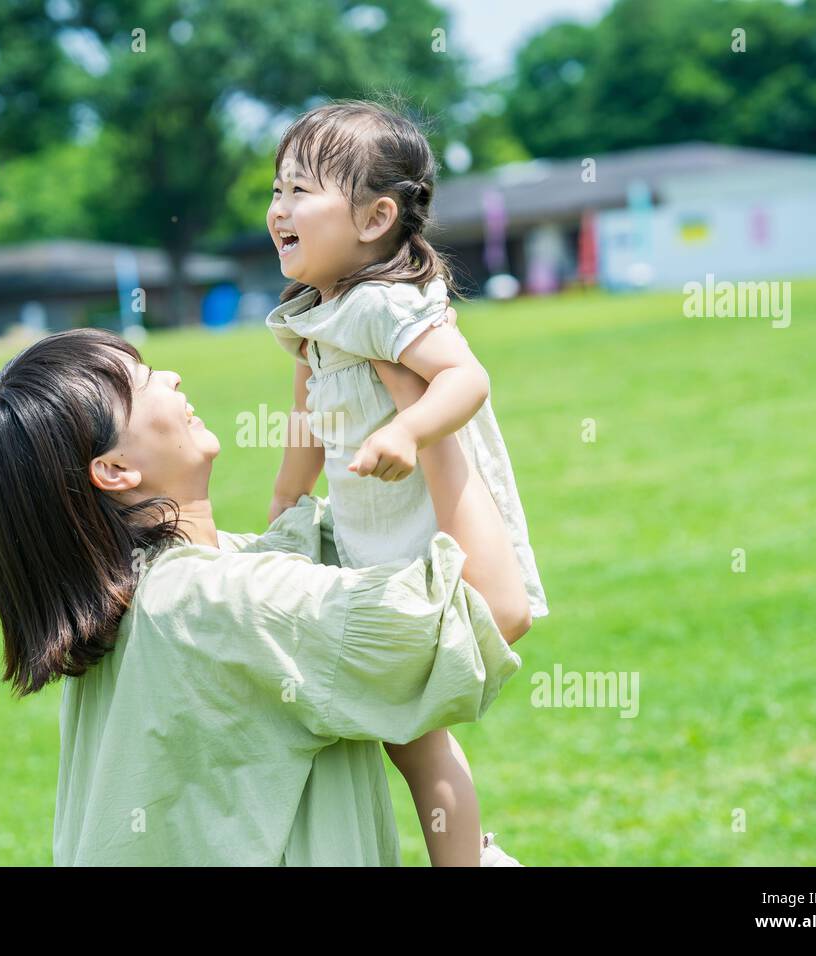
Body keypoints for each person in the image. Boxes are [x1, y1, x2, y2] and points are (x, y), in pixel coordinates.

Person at [0, 327, 533, 865]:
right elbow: (494, 609)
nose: (172, 378)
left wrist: (323, 361)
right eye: (141, 383)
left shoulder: (138, 596)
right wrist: (426, 417)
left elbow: (312, 540)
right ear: (113, 469)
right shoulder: (224, 603)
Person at [265, 98, 549, 866]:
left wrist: (407, 429)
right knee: (408, 740)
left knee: (417, 743)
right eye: (277, 190)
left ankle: (469, 862)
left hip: (432, 540)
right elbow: (307, 420)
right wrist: (287, 503)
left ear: (374, 216)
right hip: (371, 544)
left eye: (301, 190)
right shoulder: (316, 315)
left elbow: (466, 378)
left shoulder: (382, 305)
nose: (279, 209)